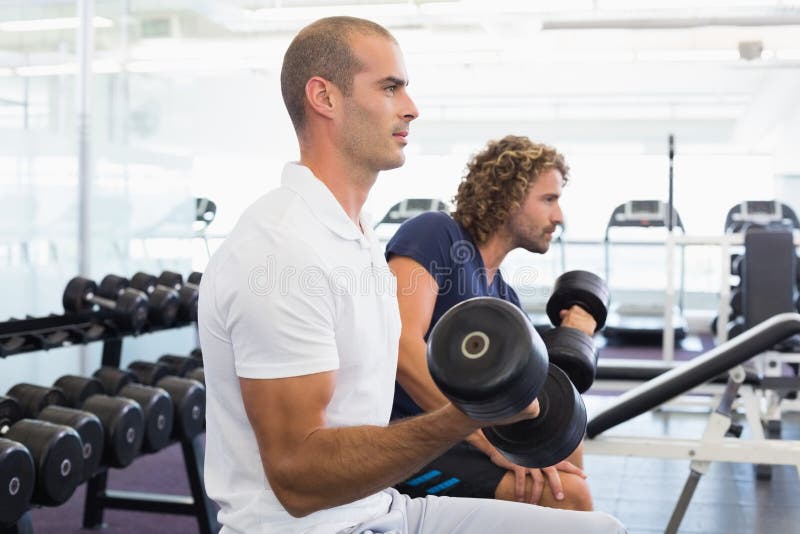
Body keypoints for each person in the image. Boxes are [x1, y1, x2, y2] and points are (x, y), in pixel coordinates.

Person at [198, 16, 626, 534]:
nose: (412, 108)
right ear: (324, 97)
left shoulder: (354, 237)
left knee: (596, 526)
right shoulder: (281, 250)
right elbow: (297, 481)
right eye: (390, 87)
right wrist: (472, 419)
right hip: (312, 528)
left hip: (379, 509)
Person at [385, 135, 598, 510]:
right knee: (570, 497)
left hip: (459, 438)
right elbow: (400, 346)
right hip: (403, 440)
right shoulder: (436, 235)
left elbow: (537, 389)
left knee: (568, 440)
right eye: (549, 200)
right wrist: (486, 439)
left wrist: (575, 334)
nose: (559, 216)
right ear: (508, 197)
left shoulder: (504, 298)